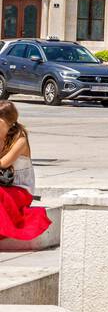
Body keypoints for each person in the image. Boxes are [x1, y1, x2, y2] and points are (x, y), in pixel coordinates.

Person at [0, 101, 51, 244]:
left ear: (8, 122)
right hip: (5, 186)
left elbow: (4, 163)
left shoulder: (20, 139)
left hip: (21, 189)